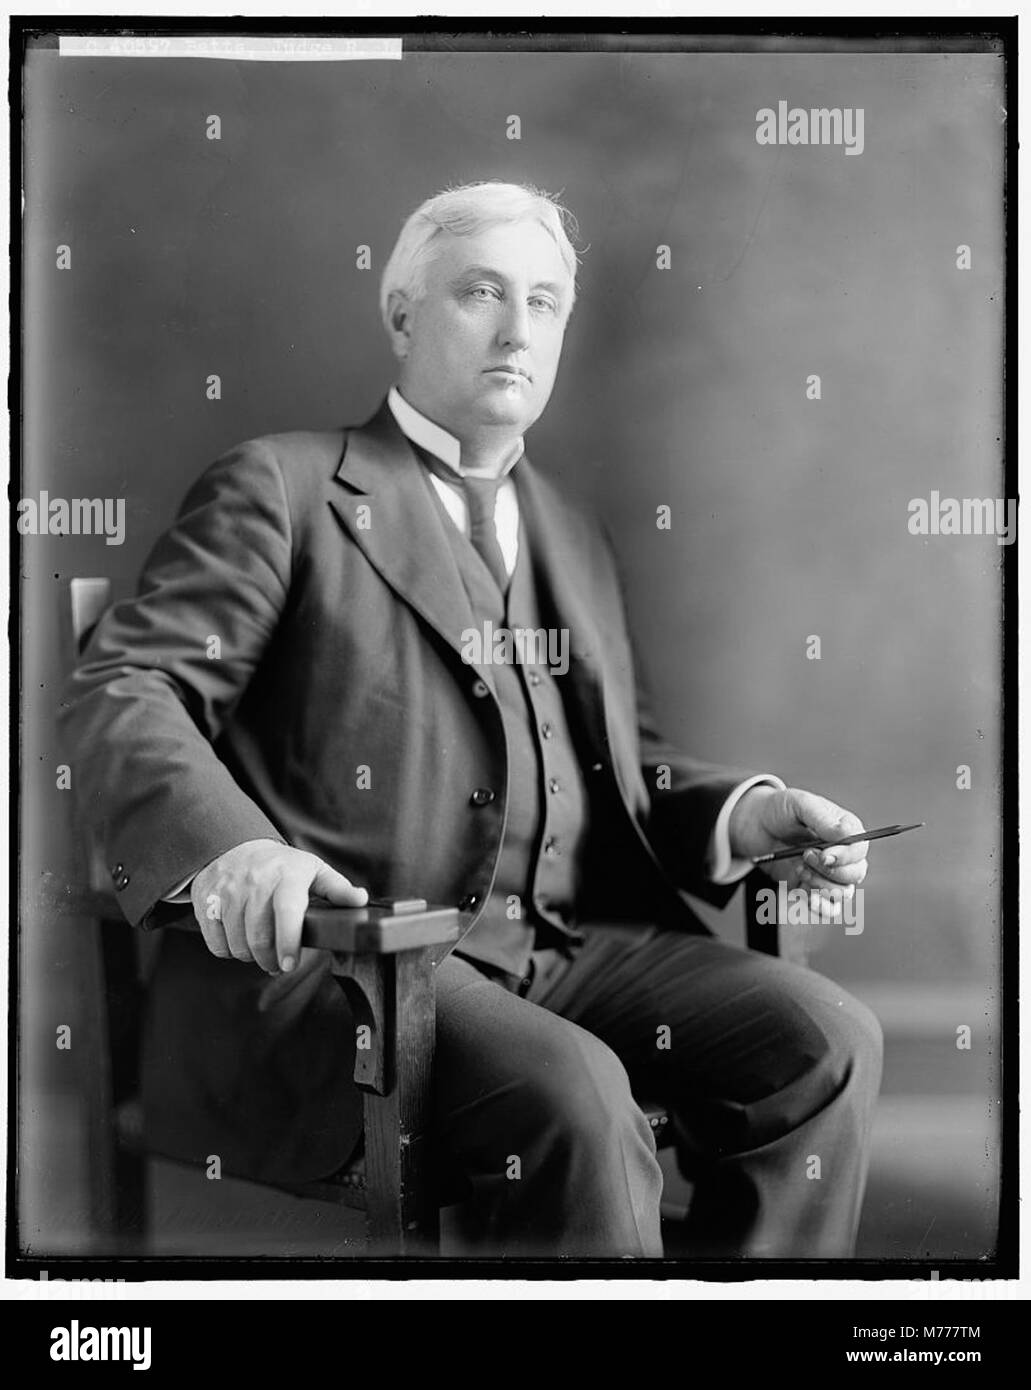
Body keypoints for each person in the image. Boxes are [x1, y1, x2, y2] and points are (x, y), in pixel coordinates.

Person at [60, 180, 882, 1258]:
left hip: (553, 955)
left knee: (826, 1038)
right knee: (576, 1095)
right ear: (401, 316)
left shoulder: (569, 531)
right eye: (481, 292)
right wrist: (239, 850)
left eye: (543, 303)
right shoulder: (281, 488)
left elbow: (617, 764)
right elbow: (126, 687)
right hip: (344, 975)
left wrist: (750, 813)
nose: (515, 329)